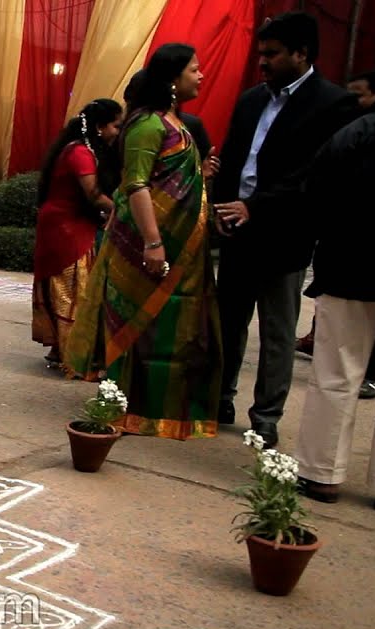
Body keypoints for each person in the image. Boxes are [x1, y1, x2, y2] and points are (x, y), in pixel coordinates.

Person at [63, 44, 221, 440]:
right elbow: (136, 185)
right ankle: (126, 409)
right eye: (194, 70)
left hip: (183, 252)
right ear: (172, 78)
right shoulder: (148, 125)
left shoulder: (174, 123)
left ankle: (161, 411)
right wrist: (153, 243)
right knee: (139, 327)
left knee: (173, 328)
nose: (200, 76)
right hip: (150, 249)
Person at [211, 12, 350, 448]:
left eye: (272, 54)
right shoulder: (252, 99)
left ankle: (266, 416)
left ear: (301, 54)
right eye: (261, 53)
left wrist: (256, 207)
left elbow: (313, 174)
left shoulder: (331, 103)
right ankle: (220, 399)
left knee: (276, 333)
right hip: (237, 231)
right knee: (228, 323)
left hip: (284, 235)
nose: (263, 62)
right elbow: (233, 157)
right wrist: (222, 204)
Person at [294, 50, 375, 513]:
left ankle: (322, 474)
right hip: (361, 265)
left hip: (352, 267)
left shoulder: (358, 131)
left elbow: (313, 193)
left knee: (337, 373)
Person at [295, 68, 375, 400]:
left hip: (364, 256)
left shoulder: (368, 133)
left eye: (359, 95)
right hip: (345, 254)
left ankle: (373, 374)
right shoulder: (347, 132)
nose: (353, 102)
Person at [32, 99, 123, 367]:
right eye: (116, 126)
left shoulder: (79, 149)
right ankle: (74, 354)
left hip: (65, 224)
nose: (119, 133)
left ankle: (63, 349)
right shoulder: (80, 152)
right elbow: (94, 196)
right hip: (66, 229)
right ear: (99, 127)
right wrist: (125, 211)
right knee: (74, 289)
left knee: (69, 287)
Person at [125, 69, 218, 177]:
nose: (200, 76)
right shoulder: (127, 128)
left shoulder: (190, 124)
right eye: (193, 70)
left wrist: (200, 176)